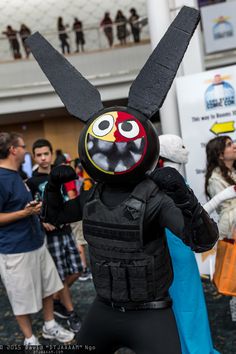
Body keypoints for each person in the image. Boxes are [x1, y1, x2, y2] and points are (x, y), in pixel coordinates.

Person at [26, 7, 218, 353]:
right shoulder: (93, 197)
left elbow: (202, 241)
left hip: (151, 314)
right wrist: (54, 187)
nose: (114, 144)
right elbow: (53, 217)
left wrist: (184, 199)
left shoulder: (155, 199)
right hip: (103, 308)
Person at [0, 132, 75, 345]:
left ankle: (50, 325)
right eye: (22, 147)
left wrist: (31, 210)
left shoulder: (16, 175)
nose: (26, 151)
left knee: (48, 287)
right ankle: (29, 338)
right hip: (15, 250)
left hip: (37, 242)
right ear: (13, 150)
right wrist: (24, 214)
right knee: (21, 297)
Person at [158, 134, 219, 354]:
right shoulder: (166, 182)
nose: (185, 149)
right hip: (176, 250)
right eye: (178, 145)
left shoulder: (164, 180)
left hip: (179, 248)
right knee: (186, 303)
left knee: (186, 302)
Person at [26, 139, 82, 333]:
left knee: (77, 270)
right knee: (60, 275)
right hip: (50, 236)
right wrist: (42, 221)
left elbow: (70, 197)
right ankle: (71, 313)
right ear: (34, 157)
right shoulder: (32, 181)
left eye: (45, 154)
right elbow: (30, 209)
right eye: (39, 155)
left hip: (66, 230)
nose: (43, 158)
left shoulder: (59, 174)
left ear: (51, 154)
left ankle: (57, 298)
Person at [205, 135, 236, 323]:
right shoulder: (215, 178)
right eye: (229, 145)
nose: (234, 147)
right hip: (232, 228)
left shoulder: (233, 171)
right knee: (234, 278)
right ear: (220, 154)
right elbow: (229, 207)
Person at [70, 158, 93, 281]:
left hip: (78, 213)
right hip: (81, 212)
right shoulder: (83, 177)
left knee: (80, 241)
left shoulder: (77, 178)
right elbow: (72, 195)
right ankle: (84, 268)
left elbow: (73, 196)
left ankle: (84, 268)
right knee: (81, 241)